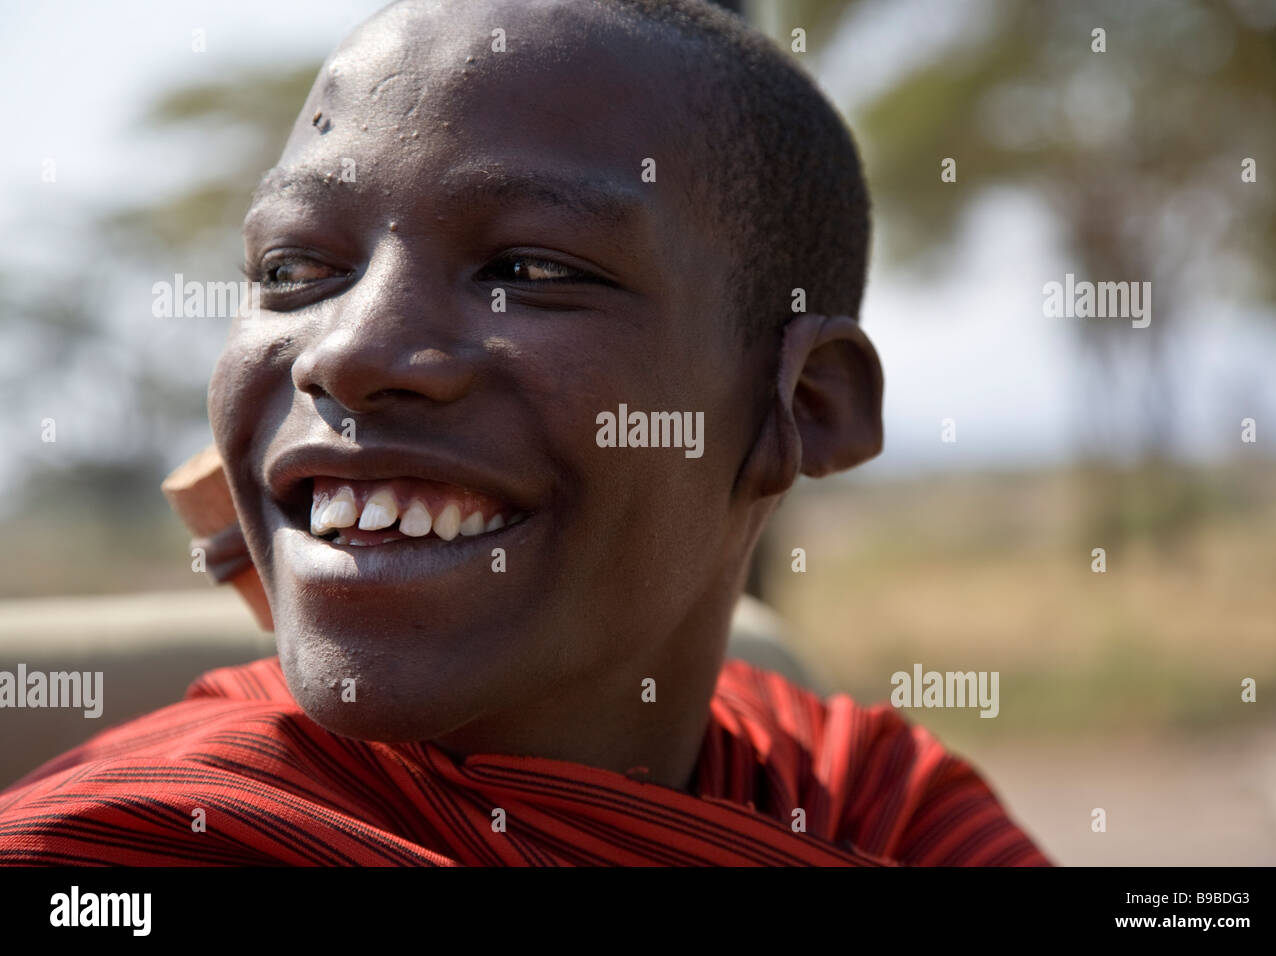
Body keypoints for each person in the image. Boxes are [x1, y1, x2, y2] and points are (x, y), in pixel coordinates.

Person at [0, 0, 1049, 865]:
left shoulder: (867, 801)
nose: (349, 352)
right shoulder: (125, 852)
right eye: (293, 271)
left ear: (806, 405)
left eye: (531, 272)